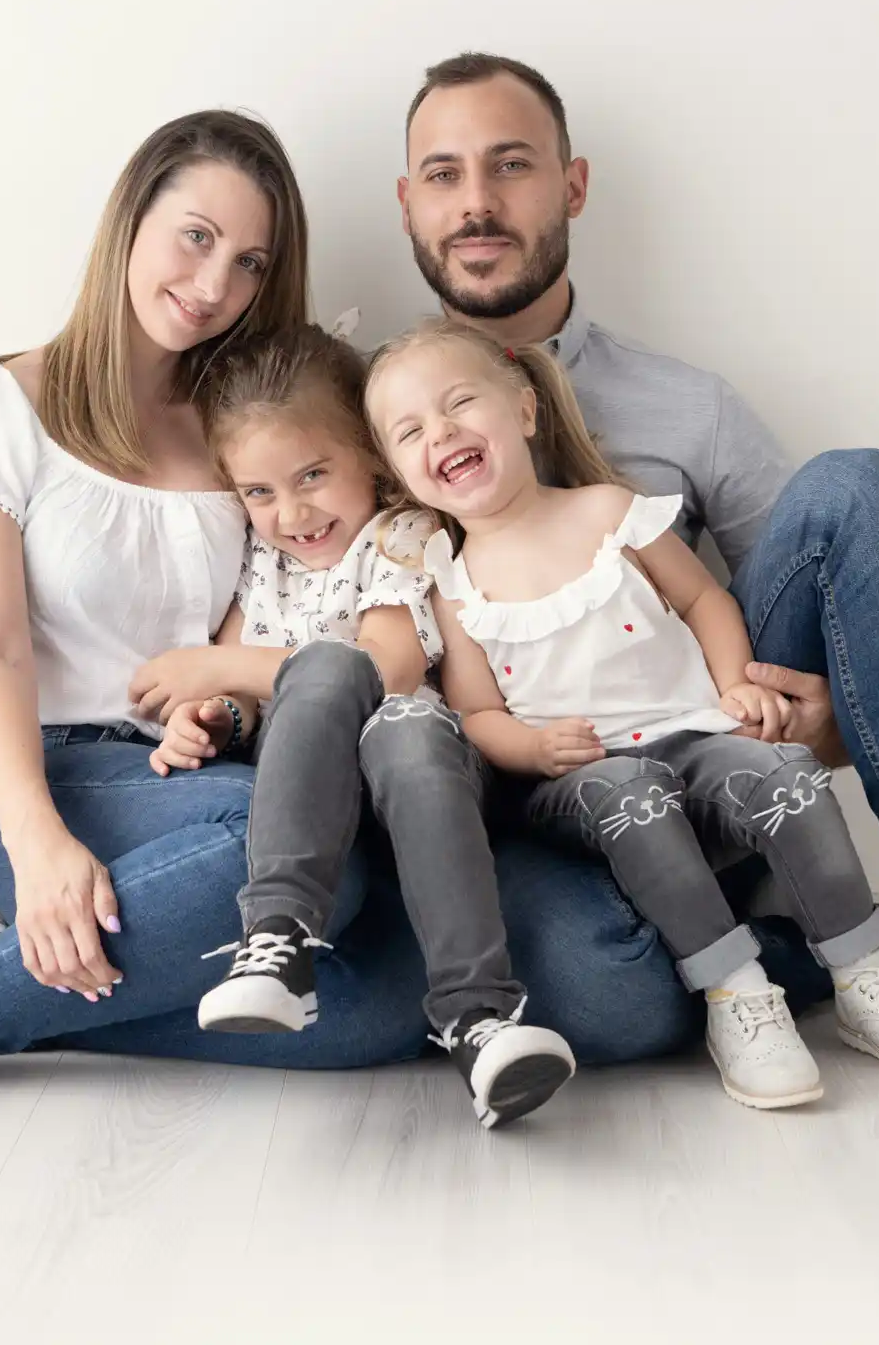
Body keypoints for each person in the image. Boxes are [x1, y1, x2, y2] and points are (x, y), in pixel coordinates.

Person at [392, 52, 879, 1092]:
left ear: (572, 185)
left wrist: (815, 718)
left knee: (856, 488)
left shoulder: (688, 406)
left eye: (511, 165)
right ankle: (784, 952)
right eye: (443, 175)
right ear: (407, 204)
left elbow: (828, 616)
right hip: (545, 798)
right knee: (609, 992)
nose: (477, 204)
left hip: (708, 736)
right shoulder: (371, 424)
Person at [0, 110, 440, 1119]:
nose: (213, 284)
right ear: (130, 219)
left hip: (212, 767)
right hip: (54, 783)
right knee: (292, 848)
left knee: (392, 994)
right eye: (196, 237)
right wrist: (37, 842)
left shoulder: (244, 431)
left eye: (248, 263)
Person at [365, 317, 879, 1107]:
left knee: (787, 776)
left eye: (458, 404)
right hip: (583, 774)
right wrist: (534, 748)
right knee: (633, 797)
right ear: (399, 473)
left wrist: (735, 686)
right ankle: (736, 994)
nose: (441, 432)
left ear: (524, 409)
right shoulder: (453, 581)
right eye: (410, 431)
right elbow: (476, 712)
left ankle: (864, 977)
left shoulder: (610, 511)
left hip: (692, 732)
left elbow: (703, 599)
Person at [129, 323, 576, 1128]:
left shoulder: (400, 535)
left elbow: (389, 667)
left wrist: (217, 665)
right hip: (312, 797)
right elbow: (246, 702)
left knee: (358, 685)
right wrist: (213, 715)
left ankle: (479, 1018)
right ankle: (277, 943)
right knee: (319, 672)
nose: (292, 512)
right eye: (259, 493)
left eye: (313, 475)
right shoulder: (260, 561)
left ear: (369, 457)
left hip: (419, 777)